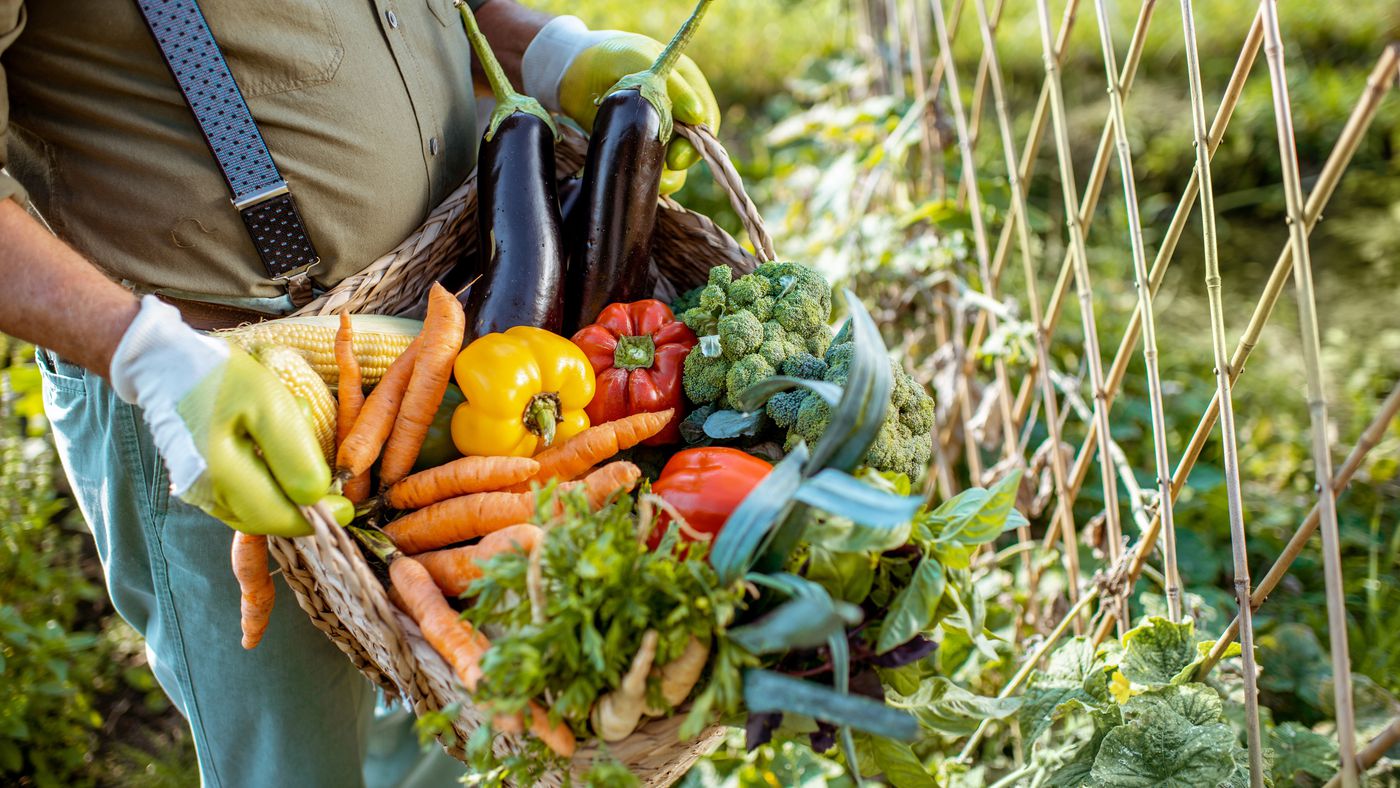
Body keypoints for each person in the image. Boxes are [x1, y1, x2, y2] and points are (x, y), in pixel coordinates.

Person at [0, 1, 719, 784]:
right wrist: (144, 355)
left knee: (443, 724)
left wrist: (544, 51)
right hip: (217, 385)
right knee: (296, 765)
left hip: (469, 312)